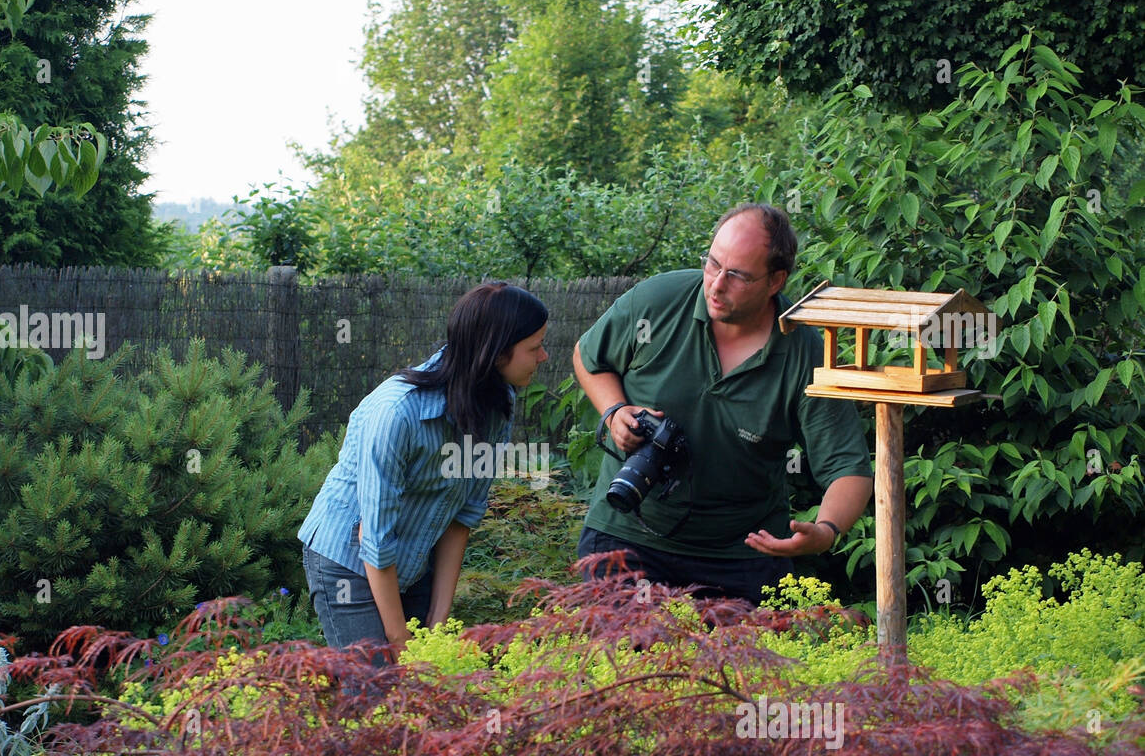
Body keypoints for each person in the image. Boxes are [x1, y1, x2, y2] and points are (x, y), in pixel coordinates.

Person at [572, 202, 873, 603]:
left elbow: (848, 467)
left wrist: (826, 531)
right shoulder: (657, 301)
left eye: (738, 275)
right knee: (620, 664)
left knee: (739, 667)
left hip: (742, 555)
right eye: (713, 264)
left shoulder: (803, 354)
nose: (715, 285)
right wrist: (613, 411)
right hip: (626, 533)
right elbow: (589, 357)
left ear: (775, 281)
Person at [300, 281, 549, 660]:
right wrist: (401, 644)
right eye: (534, 347)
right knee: (377, 689)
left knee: (426, 686)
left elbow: (462, 515)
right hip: (348, 562)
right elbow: (376, 539)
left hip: (411, 561)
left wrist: (437, 620)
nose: (544, 356)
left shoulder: (498, 406)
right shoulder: (397, 413)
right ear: (497, 353)